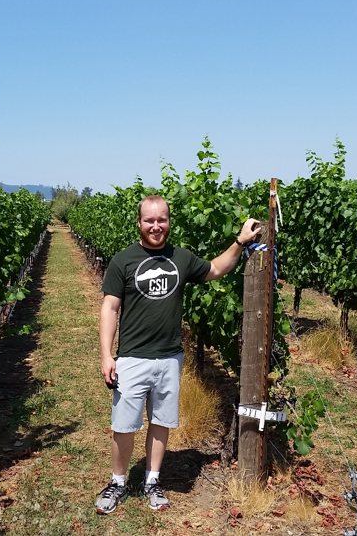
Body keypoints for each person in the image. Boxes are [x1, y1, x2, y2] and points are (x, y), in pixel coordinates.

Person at [95, 194, 260, 514]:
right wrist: (106, 354)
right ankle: (118, 482)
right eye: (149, 220)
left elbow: (215, 269)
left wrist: (239, 241)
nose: (156, 226)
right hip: (132, 357)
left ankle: (152, 481)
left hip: (170, 358)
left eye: (162, 219)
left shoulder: (181, 258)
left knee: (161, 422)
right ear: (140, 222)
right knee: (124, 425)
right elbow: (110, 308)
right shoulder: (123, 260)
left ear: (169, 221)